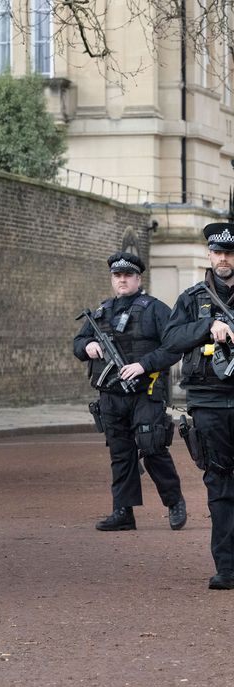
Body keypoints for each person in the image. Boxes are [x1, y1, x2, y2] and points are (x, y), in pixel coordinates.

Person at [74, 251, 186, 533]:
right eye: (117, 275)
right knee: (121, 453)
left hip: (145, 391)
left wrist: (143, 365)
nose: (122, 280)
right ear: (112, 279)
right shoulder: (101, 312)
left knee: (152, 446)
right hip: (110, 395)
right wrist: (86, 347)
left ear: (138, 278)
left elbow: (174, 346)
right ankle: (123, 512)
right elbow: (78, 342)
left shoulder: (156, 309)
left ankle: (174, 503)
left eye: (127, 275)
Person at [162, 221, 234, 589]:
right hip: (209, 403)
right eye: (218, 252)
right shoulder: (192, 299)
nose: (223, 259)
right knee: (220, 483)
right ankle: (227, 568)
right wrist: (208, 326)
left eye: (230, 253)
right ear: (209, 254)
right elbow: (172, 338)